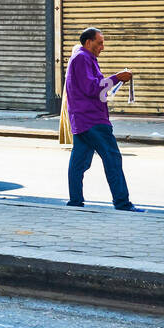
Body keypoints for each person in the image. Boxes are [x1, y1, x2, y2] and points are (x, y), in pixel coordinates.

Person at [63, 27, 142, 212]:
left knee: (79, 162)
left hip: (82, 119)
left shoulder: (84, 59)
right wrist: (116, 78)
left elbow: (94, 87)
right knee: (112, 158)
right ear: (88, 42)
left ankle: (75, 201)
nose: (102, 47)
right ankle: (122, 203)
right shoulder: (82, 58)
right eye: (100, 43)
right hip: (92, 120)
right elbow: (92, 88)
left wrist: (114, 82)